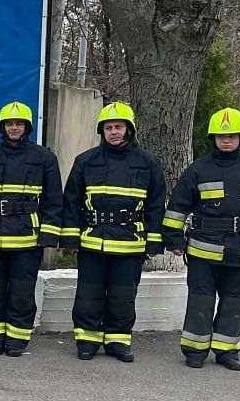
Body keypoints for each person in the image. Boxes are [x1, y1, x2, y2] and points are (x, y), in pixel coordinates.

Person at [61, 102, 166, 363]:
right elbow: (71, 201)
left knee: (123, 296)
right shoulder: (86, 161)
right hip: (92, 241)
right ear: (102, 131)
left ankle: (118, 341)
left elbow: (156, 205)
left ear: (129, 130)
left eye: (119, 127)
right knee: (88, 295)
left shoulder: (148, 162)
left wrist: (153, 242)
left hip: (130, 243)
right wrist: (70, 238)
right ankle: (87, 340)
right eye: (108, 128)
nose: (114, 132)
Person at [163, 108, 240, 371]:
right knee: (201, 299)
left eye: (231, 136)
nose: (225, 140)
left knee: (234, 299)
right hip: (203, 249)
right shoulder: (198, 169)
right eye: (220, 136)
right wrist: (173, 239)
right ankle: (195, 350)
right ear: (212, 139)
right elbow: (177, 207)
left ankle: (227, 351)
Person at [0, 102, 64, 357]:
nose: (14, 128)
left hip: (27, 239)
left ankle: (18, 339)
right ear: (2, 127)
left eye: (18, 124)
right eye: (10, 124)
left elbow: (54, 199)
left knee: (21, 293)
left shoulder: (44, 158)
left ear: (27, 127)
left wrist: (48, 235)